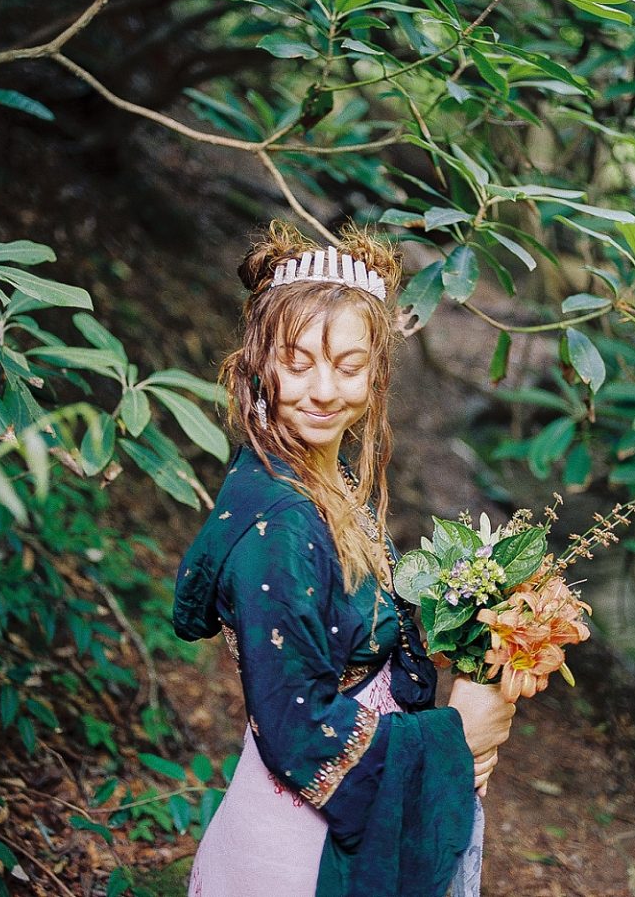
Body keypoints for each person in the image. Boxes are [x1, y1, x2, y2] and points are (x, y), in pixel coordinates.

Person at [173, 221, 516, 897]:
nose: (325, 390)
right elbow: (301, 730)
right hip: (299, 853)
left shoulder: (323, 481)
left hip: (310, 831)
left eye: (349, 365)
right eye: (298, 362)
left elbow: (357, 629)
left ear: (376, 371)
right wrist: (458, 737)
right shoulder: (279, 525)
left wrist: (490, 628)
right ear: (257, 363)